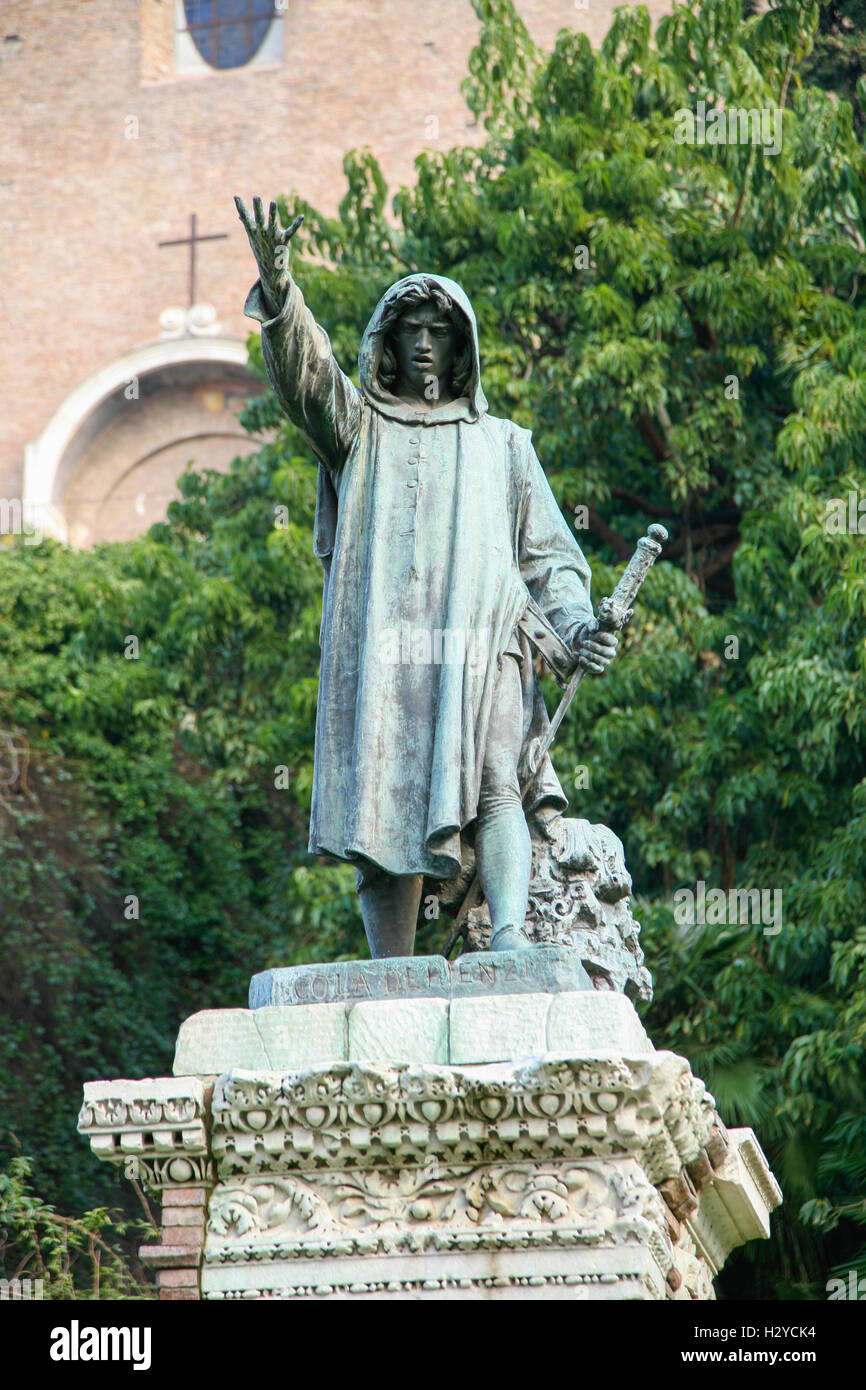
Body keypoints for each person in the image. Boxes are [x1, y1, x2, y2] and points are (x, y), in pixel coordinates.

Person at [236, 197, 617, 959]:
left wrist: (578, 627)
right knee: (382, 805)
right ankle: (393, 969)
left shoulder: (504, 445)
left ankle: (508, 936)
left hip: (486, 640)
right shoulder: (358, 429)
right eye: (410, 327)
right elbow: (308, 379)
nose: (423, 342)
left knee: (498, 781)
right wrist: (280, 291)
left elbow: (550, 557)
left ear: (461, 345)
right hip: (385, 647)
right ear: (388, 337)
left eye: (439, 329)